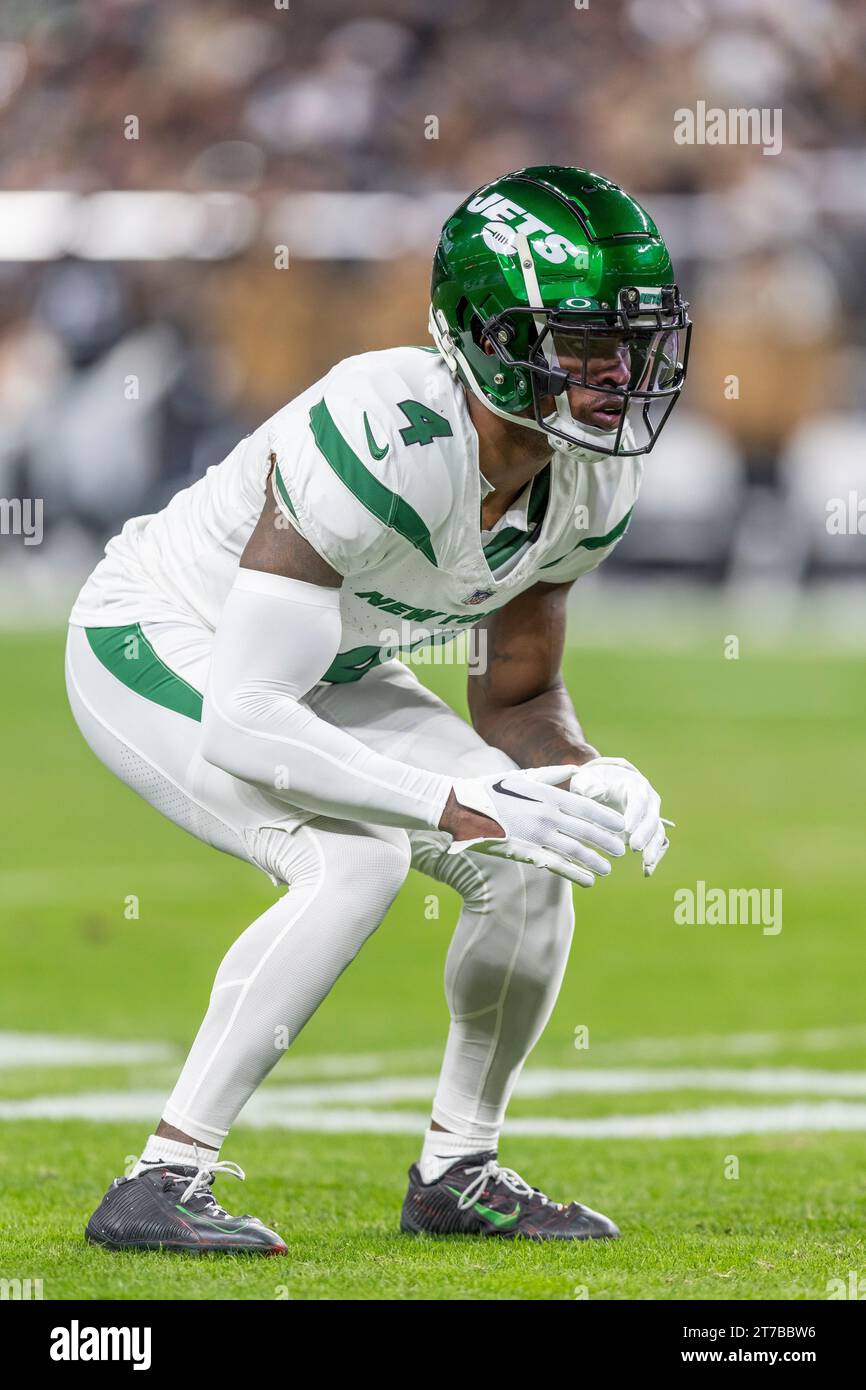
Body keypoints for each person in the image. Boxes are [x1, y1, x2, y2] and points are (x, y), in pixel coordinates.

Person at [65, 166, 690, 1250]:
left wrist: (584, 769)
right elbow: (246, 716)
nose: (613, 374)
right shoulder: (384, 429)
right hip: (165, 641)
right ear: (487, 336)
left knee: (531, 848)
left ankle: (458, 1168)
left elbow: (520, 689)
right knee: (356, 859)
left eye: (628, 343)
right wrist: (450, 800)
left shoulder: (592, 478)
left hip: (324, 669)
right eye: (582, 341)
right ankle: (161, 1178)